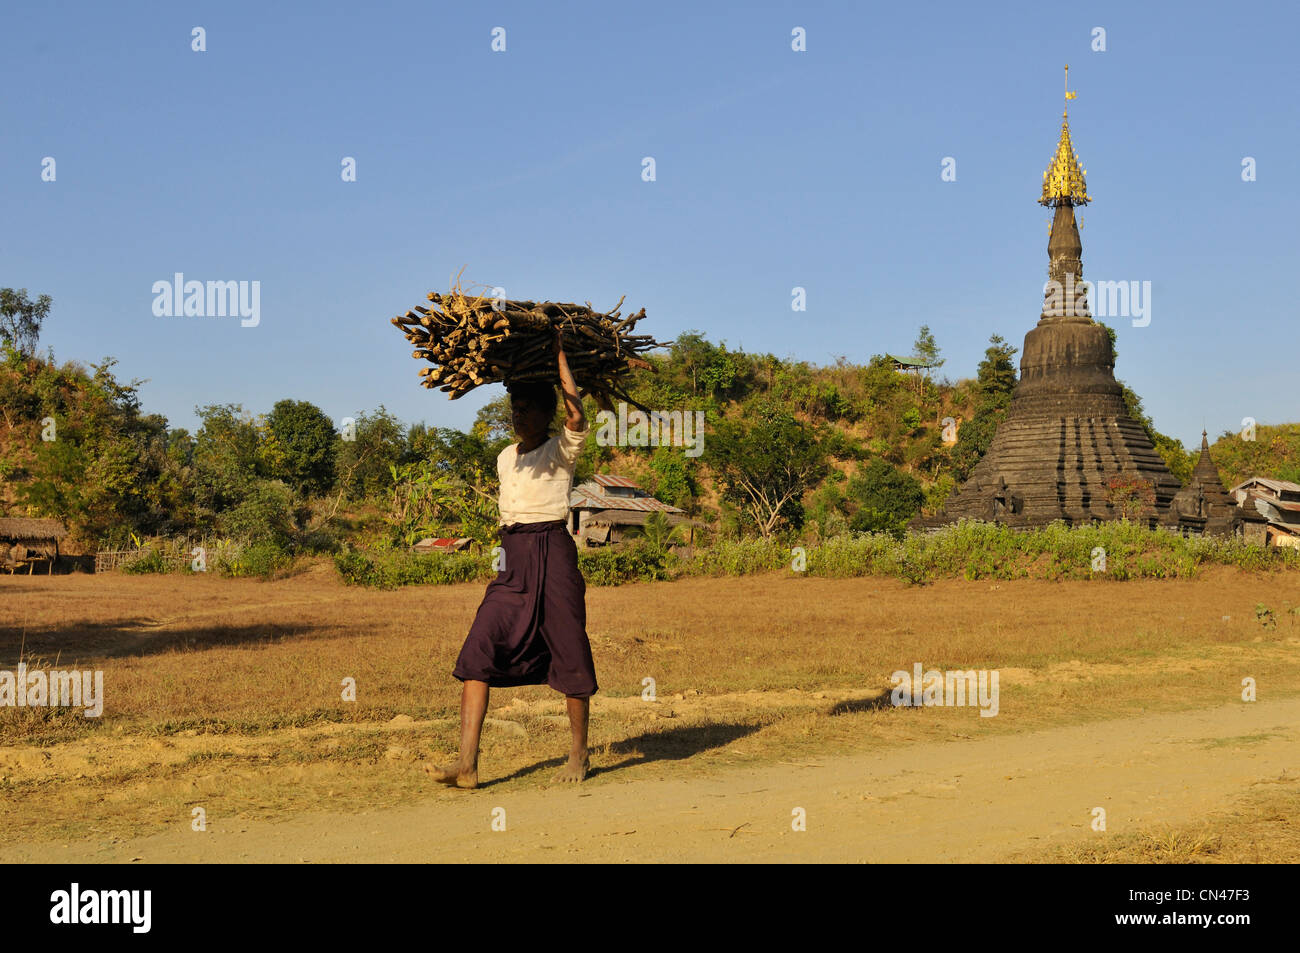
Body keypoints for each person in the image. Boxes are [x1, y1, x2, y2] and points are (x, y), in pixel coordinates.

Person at [427, 330, 613, 788]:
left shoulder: (561, 450)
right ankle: (467, 764)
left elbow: (576, 411)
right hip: (512, 557)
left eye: (527, 408)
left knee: (569, 647)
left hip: (553, 551)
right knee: (479, 649)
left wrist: (560, 357)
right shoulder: (505, 457)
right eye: (514, 408)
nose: (518, 415)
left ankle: (579, 754)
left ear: (546, 414)